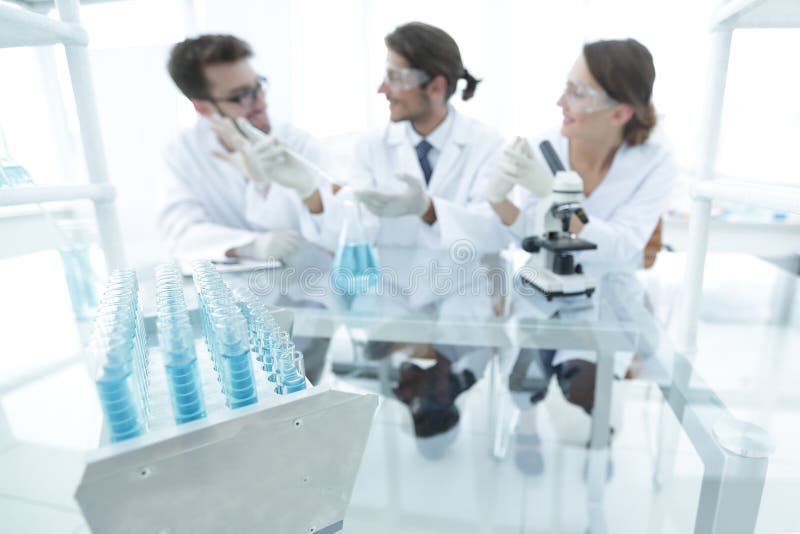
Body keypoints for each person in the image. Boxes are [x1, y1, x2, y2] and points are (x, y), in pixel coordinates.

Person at [483, 38, 676, 473]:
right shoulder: (544, 145)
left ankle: (596, 433)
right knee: (524, 382)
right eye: (566, 86)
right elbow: (528, 235)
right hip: (541, 287)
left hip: (603, 299)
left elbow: (624, 247)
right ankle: (527, 425)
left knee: (585, 389)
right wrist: (497, 199)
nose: (560, 101)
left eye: (577, 92)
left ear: (620, 112)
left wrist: (555, 196)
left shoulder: (654, 161)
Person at [346, 22, 508, 437]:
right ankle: (438, 381)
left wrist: (430, 210)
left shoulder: (487, 145)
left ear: (436, 85)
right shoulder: (371, 146)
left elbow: (494, 231)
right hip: (396, 293)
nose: (383, 89)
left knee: (448, 352)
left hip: (464, 292)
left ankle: (442, 382)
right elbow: (353, 228)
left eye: (396, 78)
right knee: (383, 355)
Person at [159, 34, 333, 262]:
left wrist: (275, 188)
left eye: (258, 87)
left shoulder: (298, 142)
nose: (261, 103)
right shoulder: (184, 151)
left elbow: (339, 231)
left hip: (313, 290)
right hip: (236, 291)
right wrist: (250, 246)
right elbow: (180, 233)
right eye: (241, 96)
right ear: (202, 107)